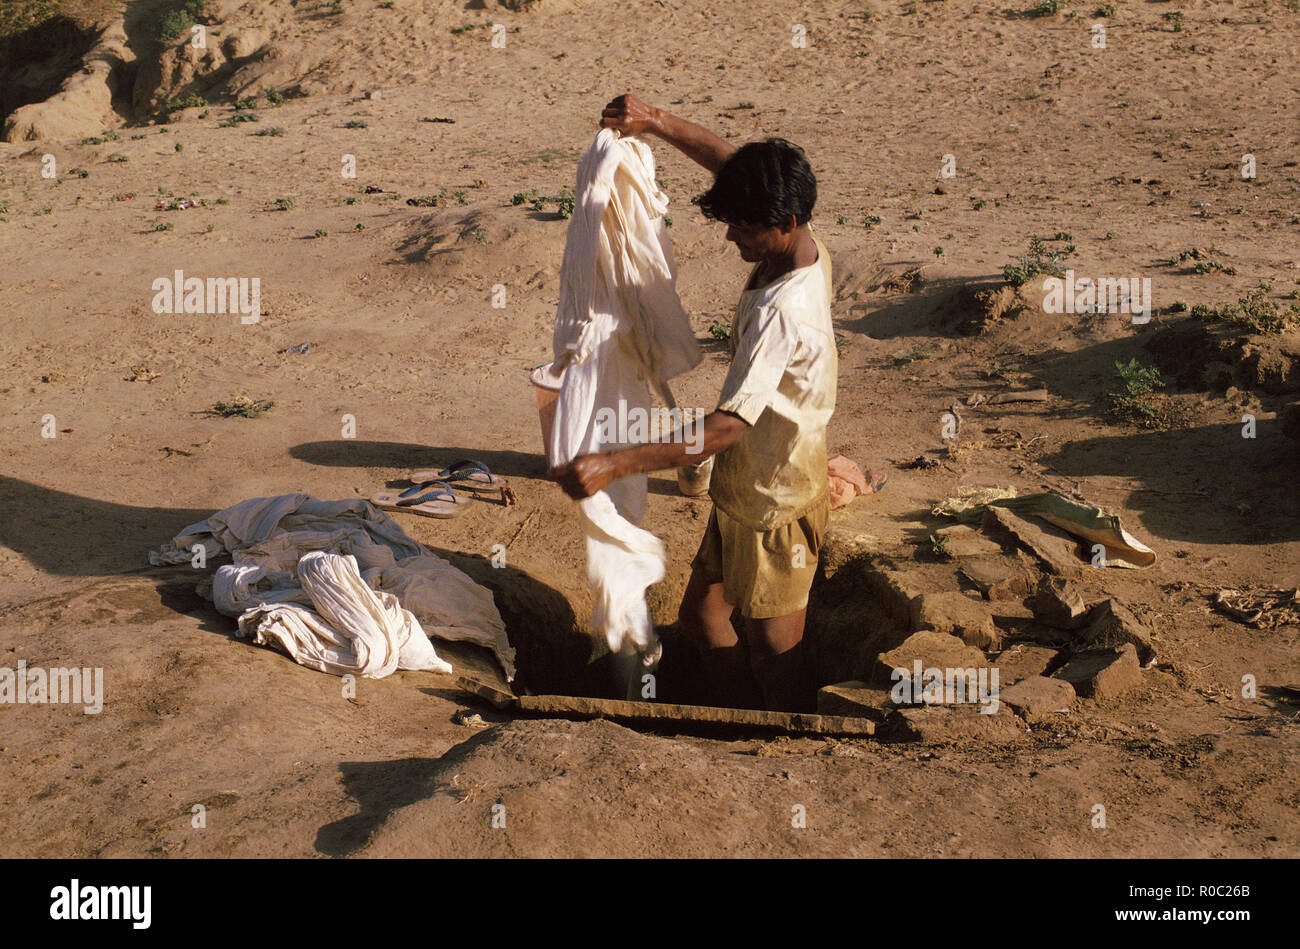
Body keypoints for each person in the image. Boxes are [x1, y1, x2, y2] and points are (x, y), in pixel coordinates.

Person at [551, 93, 837, 712]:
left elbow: (728, 428)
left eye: (743, 227)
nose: (732, 235)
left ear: (783, 222)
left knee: (774, 645)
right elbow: (734, 164)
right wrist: (655, 120)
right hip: (744, 485)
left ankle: (791, 737)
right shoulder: (794, 231)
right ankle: (732, 720)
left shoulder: (784, 314)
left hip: (776, 499)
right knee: (705, 619)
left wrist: (615, 464)